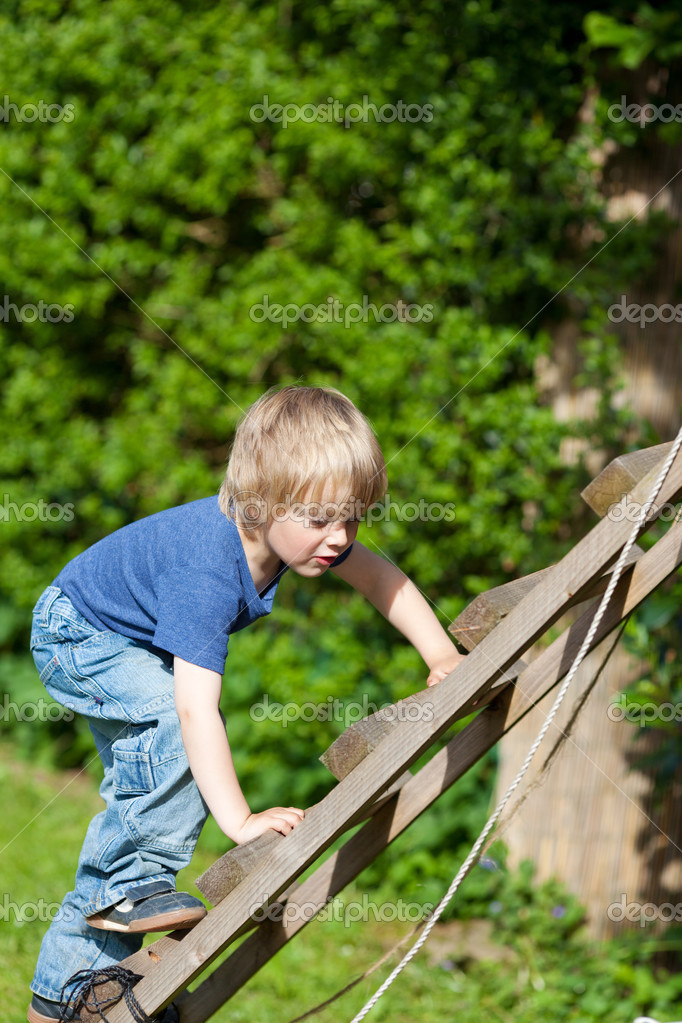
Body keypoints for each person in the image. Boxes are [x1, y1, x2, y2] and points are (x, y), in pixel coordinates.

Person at [26, 385, 464, 1022]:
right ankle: (123, 889)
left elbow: (378, 576)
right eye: (321, 520)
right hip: (77, 633)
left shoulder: (298, 531)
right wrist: (239, 821)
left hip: (122, 636)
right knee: (170, 725)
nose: (340, 537)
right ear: (261, 504)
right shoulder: (205, 570)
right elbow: (196, 711)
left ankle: (79, 986)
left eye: (353, 517)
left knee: (162, 760)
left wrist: (440, 655)